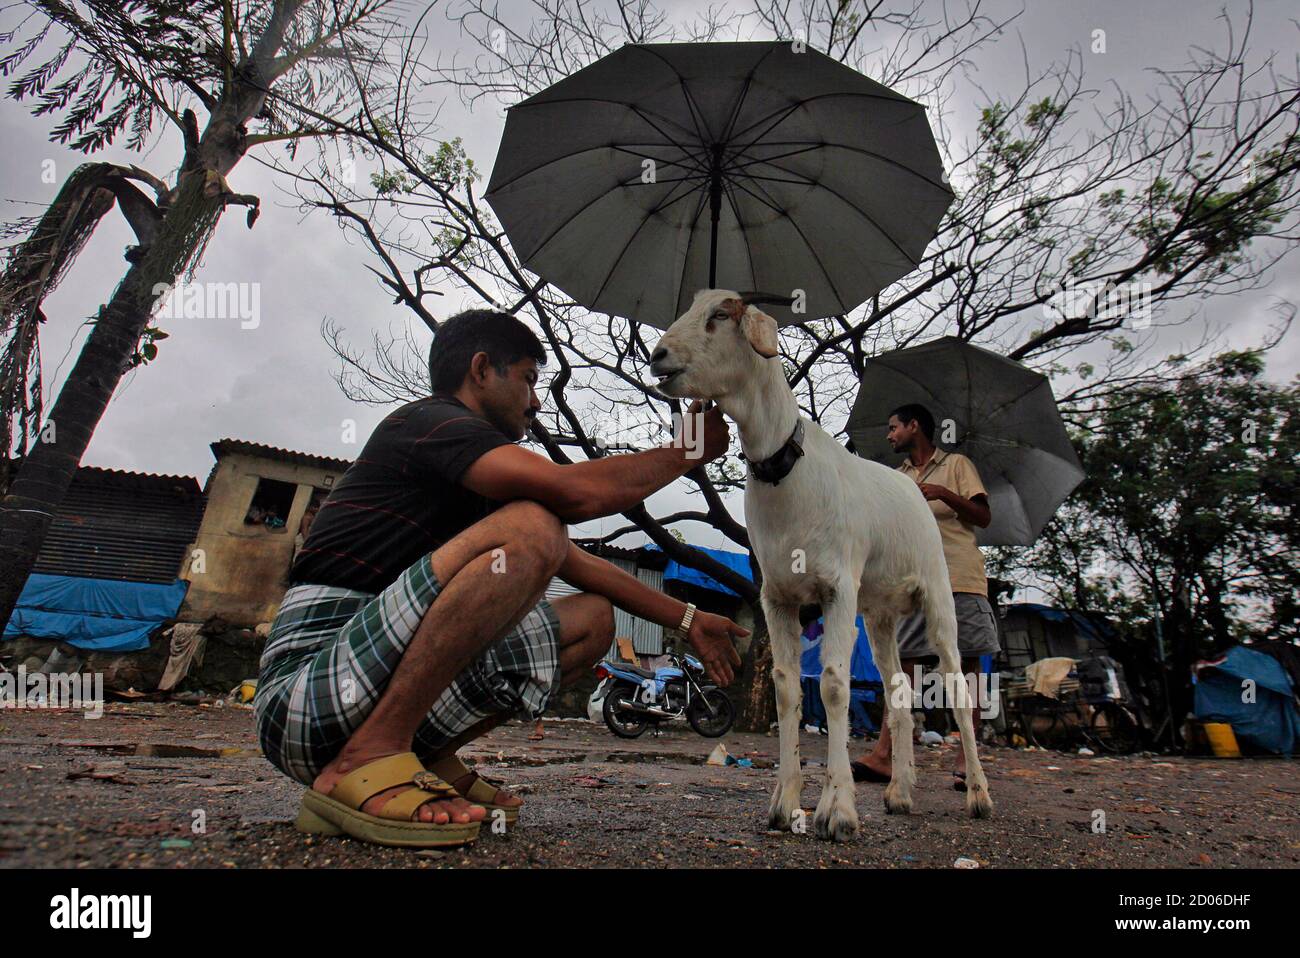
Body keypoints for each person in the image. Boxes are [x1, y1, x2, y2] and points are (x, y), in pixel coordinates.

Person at [255, 308, 746, 847]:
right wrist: (687, 451)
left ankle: (427, 759)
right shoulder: (428, 421)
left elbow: (587, 567)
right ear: (482, 369)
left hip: (363, 684)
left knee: (591, 616)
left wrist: (691, 618)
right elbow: (575, 496)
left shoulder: (483, 488)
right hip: (305, 698)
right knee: (538, 524)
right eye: (530, 380)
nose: (536, 402)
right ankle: (367, 757)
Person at [851, 403, 997, 791]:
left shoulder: (957, 465)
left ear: (915, 426)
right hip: (912, 581)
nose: (889, 435)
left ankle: (970, 758)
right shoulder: (896, 478)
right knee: (905, 664)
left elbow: (983, 517)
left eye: (894, 427)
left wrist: (942, 494)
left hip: (959, 577)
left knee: (968, 665)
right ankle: (886, 754)